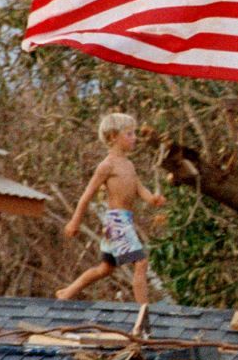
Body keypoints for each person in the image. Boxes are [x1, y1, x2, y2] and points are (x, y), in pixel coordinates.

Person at [57, 112, 165, 304]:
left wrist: (153, 199)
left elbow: (139, 188)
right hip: (116, 221)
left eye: (134, 134)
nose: (134, 138)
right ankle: (143, 313)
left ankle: (67, 292)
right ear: (113, 137)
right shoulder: (106, 166)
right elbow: (86, 196)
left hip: (124, 220)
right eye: (129, 134)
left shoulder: (129, 165)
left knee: (105, 268)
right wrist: (75, 221)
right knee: (141, 263)